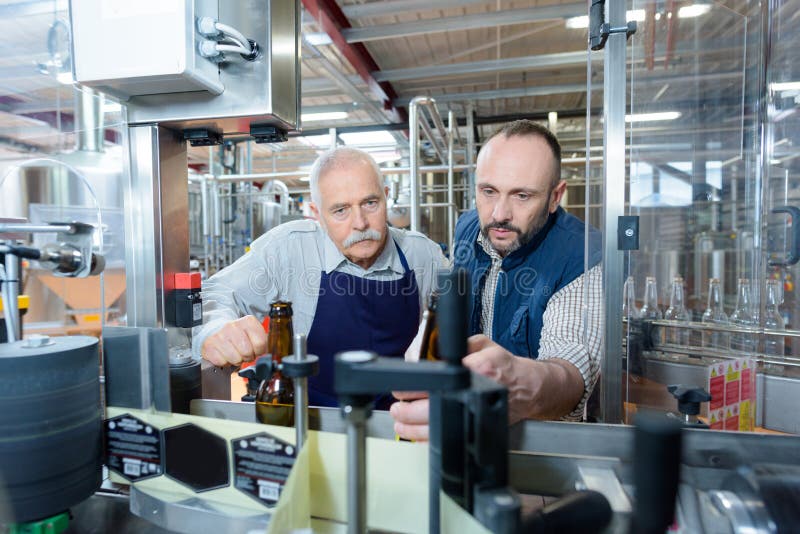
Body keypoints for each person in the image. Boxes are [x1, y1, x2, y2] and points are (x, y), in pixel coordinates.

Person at [391, 120, 603, 440]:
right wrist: (427, 338)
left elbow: (571, 375)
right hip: (465, 432)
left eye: (522, 195)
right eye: (488, 191)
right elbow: (451, 295)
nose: (499, 214)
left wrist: (522, 382)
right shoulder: (467, 227)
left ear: (555, 196)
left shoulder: (582, 255)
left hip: (542, 444)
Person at [193, 146, 446, 408]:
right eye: (340, 211)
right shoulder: (289, 248)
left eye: (370, 203)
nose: (360, 223)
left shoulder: (422, 255)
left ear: (386, 196)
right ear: (317, 214)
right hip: (312, 419)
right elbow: (214, 293)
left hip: (402, 421)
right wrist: (215, 329)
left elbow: (463, 330)